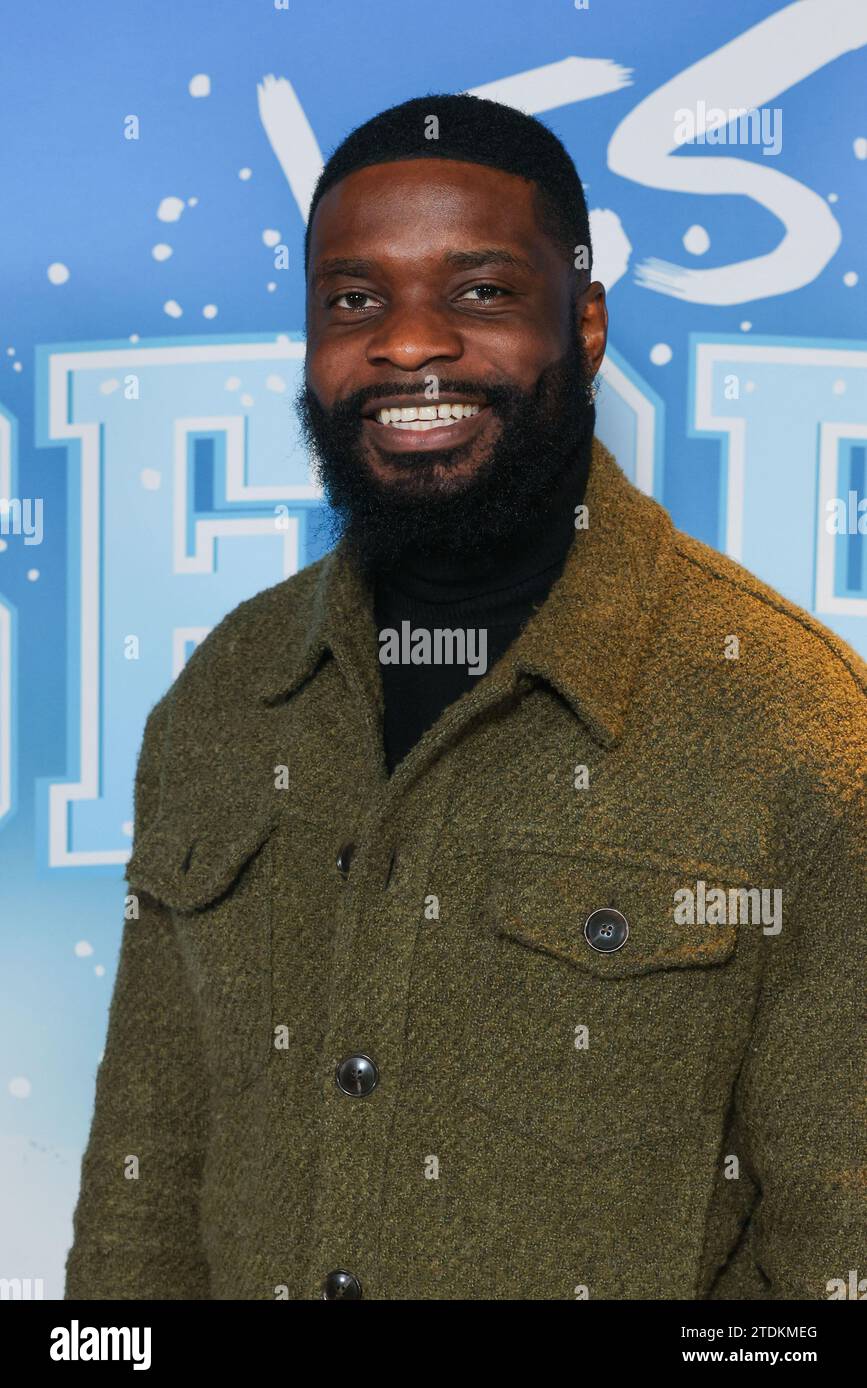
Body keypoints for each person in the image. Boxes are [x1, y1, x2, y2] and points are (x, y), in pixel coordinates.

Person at [66, 94, 866, 1301]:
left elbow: (838, 1257)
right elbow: (142, 1196)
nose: (408, 344)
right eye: (354, 300)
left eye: (480, 291)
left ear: (584, 323)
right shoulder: (225, 692)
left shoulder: (792, 722)